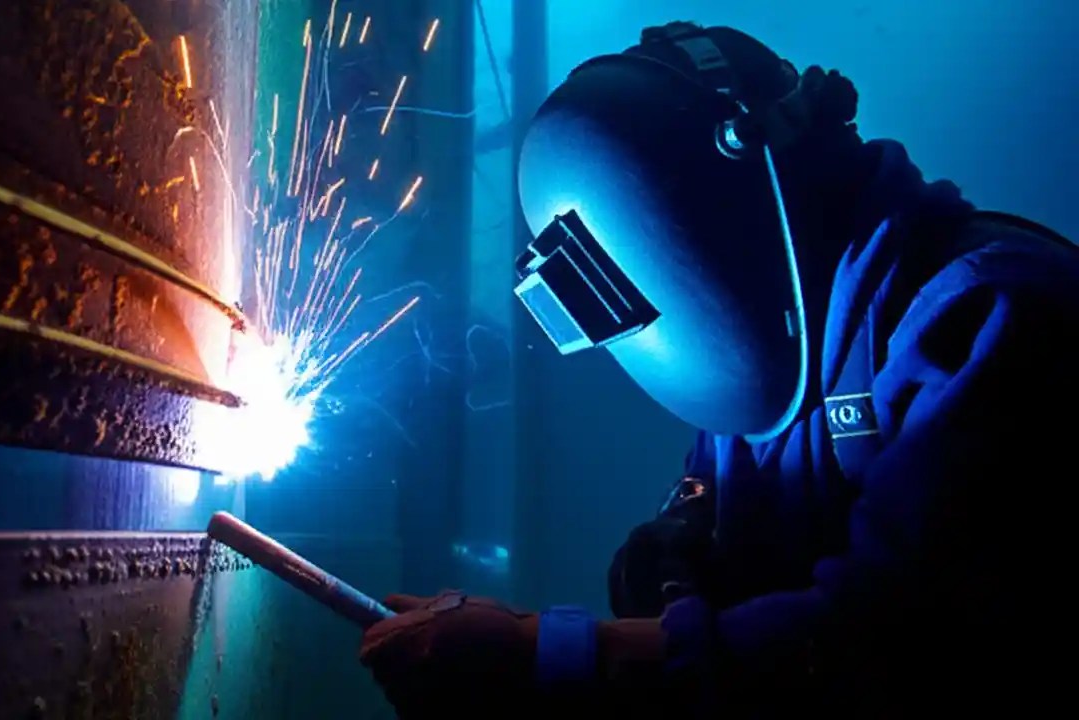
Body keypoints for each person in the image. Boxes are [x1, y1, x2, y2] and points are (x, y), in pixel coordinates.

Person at [359, 21, 1078, 717]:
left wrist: (544, 653)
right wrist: (678, 544)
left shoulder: (995, 315)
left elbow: (893, 643)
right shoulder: (780, 353)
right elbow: (724, 544)